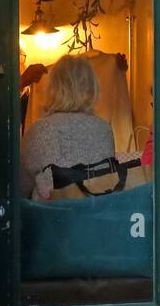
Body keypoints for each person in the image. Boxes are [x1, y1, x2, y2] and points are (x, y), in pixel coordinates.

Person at [21, 55, 115, 200]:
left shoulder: (38, 130)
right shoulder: (104, 129)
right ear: (92, 89)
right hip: (94, 216)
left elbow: (21, 187)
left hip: (50, 217)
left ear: (52, 88)